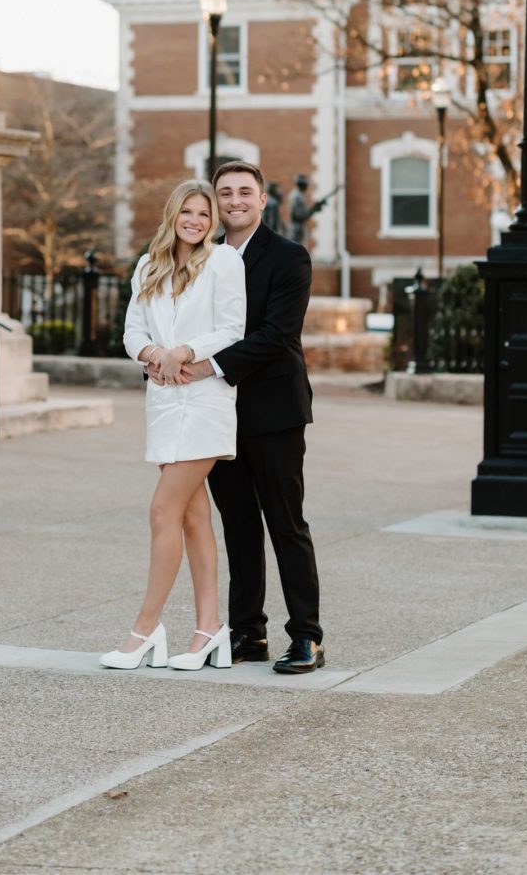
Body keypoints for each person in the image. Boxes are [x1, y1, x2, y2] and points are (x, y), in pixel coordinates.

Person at [175, 160, 324, 674]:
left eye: (245, 192)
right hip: (217, 412)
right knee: (238, 526)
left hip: (274, 411)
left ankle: (307, 636)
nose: (234, 200)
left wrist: (205, 366)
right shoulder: (200, 260)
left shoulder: (288, 258)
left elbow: (277, 335)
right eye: (225, 193)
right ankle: (247, 633)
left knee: (286, 524)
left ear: (263, 200)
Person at [100, 180, 246, 673]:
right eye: (187, 211)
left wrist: (183, 351)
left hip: (204, 399)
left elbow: (231, 328)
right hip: (163, 398)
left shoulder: (224, 261)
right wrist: (152, 354)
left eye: (204, 214)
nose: (196, 220)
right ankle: (210, 630)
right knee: (191, 517)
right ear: (172, 215)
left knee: (163, 509)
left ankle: (145, 628)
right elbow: (131, 331)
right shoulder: (150, 264)